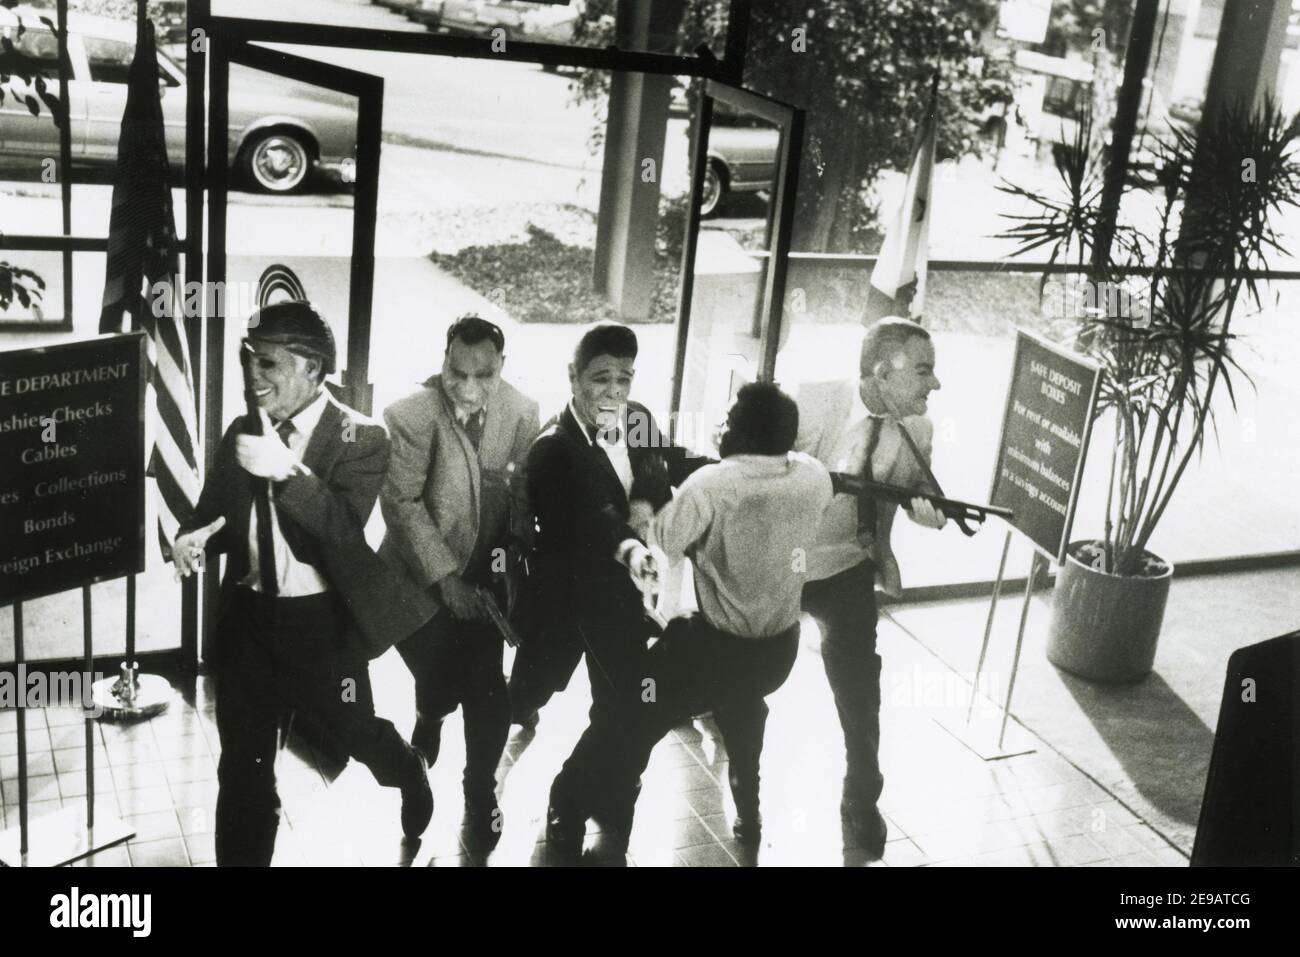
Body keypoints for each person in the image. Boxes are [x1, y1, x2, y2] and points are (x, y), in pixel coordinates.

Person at [171, 301, 434, 867]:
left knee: (355, 730)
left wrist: (286, 470)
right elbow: (212, 515)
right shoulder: (243, 430)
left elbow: (340, 532)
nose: (253, 377)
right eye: (250, 362)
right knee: (243, 769)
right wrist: (189, 537)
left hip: (321, 628)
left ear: (313, 369)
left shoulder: (360, 438)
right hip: (249, 624)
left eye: (269, 365)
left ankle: (408, 770)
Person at [510, 323, 706, 855]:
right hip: (568, 594)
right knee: (535, 687)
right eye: (600, 379)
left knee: (623, 700)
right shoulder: (552, 449)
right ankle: (516, 709)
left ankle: (592, 795)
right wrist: (630, 546)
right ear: (573, 377)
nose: (614, 392)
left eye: (624, 378)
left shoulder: (638, 417)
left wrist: (647, 496)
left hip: (621, 597)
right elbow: (587, 519)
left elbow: (657, 463)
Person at [615, 383, 832, 846]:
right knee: (743, 704)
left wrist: (644, 504)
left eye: (730, 420)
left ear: (741, 432)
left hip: (716, 651)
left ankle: (616, 795)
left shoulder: (709, 485)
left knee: (639, 708)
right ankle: (749, 813)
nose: (722, 426)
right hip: (778, 653)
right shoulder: (814, 476)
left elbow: (662, 540)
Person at [378, 314, 539, 840]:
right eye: (456, 372)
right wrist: (446, 581)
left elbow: (520, 500)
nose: (469, 388)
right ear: (443, 359)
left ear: (502, 368)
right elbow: (400, 504)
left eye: (484, 375)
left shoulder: (521, 413)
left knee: (487, 687)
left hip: (484, 579)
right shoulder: (409, 415)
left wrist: (507, 565)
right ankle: (429, 719)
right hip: (420, 575)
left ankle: (479, 789)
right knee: (442, 676)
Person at [794, 316, 948, 857]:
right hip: (781, 563)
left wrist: (929, 513)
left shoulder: (919, 428)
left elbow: (925, 494)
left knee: (860, 688)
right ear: (882, 373)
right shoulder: (810, 403)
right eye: (924, 370)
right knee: (741, 668)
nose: (935, 384)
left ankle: (861, 797)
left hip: (849, 566)